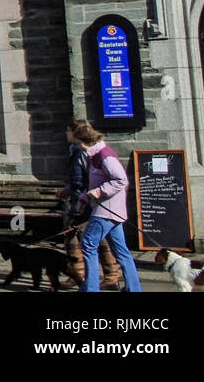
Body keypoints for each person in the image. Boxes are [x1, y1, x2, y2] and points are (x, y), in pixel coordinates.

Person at [73, 123, 142, 292]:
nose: (77, 146)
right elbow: (95, 183)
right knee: (121, 251)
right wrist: (84, 198)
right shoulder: (95, 155)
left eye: (77, 143)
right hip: (111, 209)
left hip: (106, 210)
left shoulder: (105, 156)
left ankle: (90, 288)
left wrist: (99, 192)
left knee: (88, 245)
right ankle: (134, 288)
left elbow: (121, 180)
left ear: (83, 142)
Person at [56, 118, 121, 289]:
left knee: (75, 236)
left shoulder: (82, 151)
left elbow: (84, 179)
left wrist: (79, 198)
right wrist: (68, 189)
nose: (66, 134)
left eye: (68, 131)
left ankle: (80, 276)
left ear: (75, 133)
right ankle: (109, 276)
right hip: (84, 197)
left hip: (83, 200)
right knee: (96, 238)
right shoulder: (79, 150)